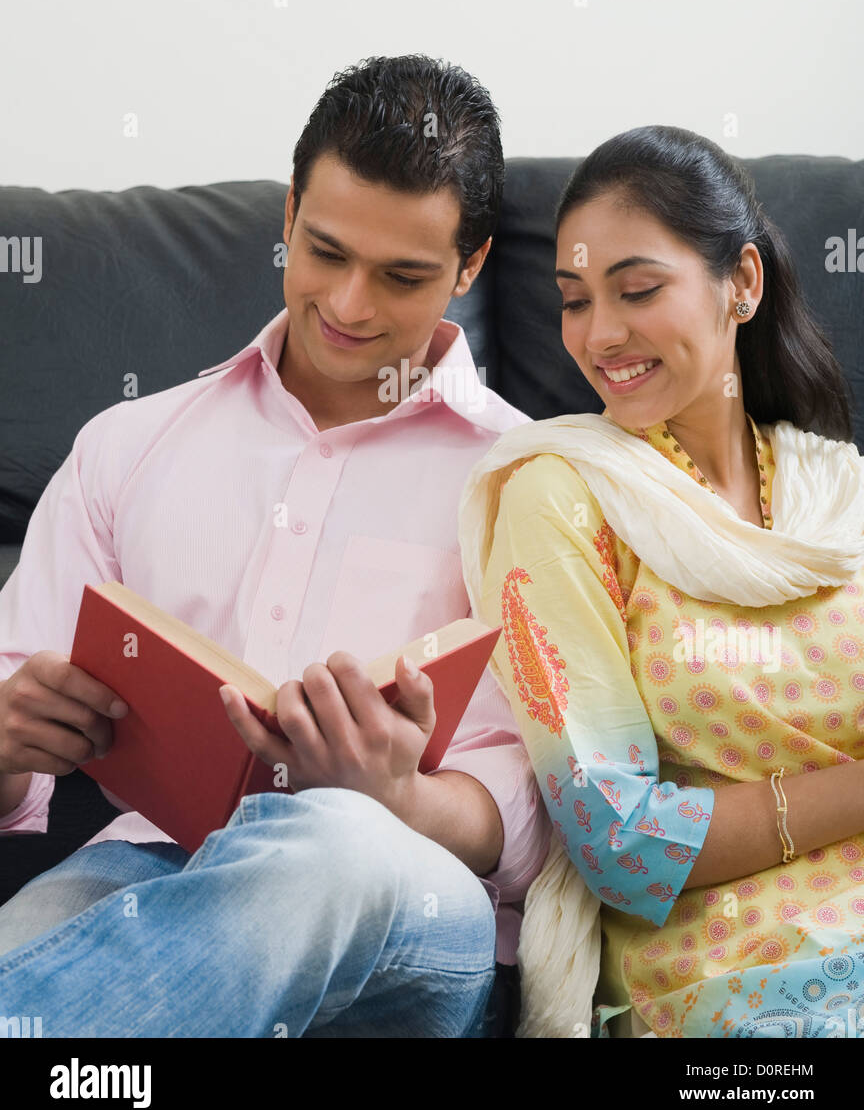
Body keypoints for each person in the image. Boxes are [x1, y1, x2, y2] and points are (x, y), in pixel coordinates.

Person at [0, 55, 551, 1038]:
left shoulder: (529, 483)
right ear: (290, 212)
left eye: (402, 276)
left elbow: (546, 815)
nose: (347, 306)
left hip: (402, 892)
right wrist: (9, 743)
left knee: (332, 839)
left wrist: (397, 794)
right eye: (325, 251)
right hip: (145, 865)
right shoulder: (131, 444)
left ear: (470, 267)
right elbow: (16, 773)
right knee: (33, 947)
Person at [457, 124, 864, 1039]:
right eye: (573, 300)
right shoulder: (562, 498)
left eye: (637, 290)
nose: (600, 335)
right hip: (738, 976)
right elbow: (622, 842)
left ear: (743, 285)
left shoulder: (840, 494)